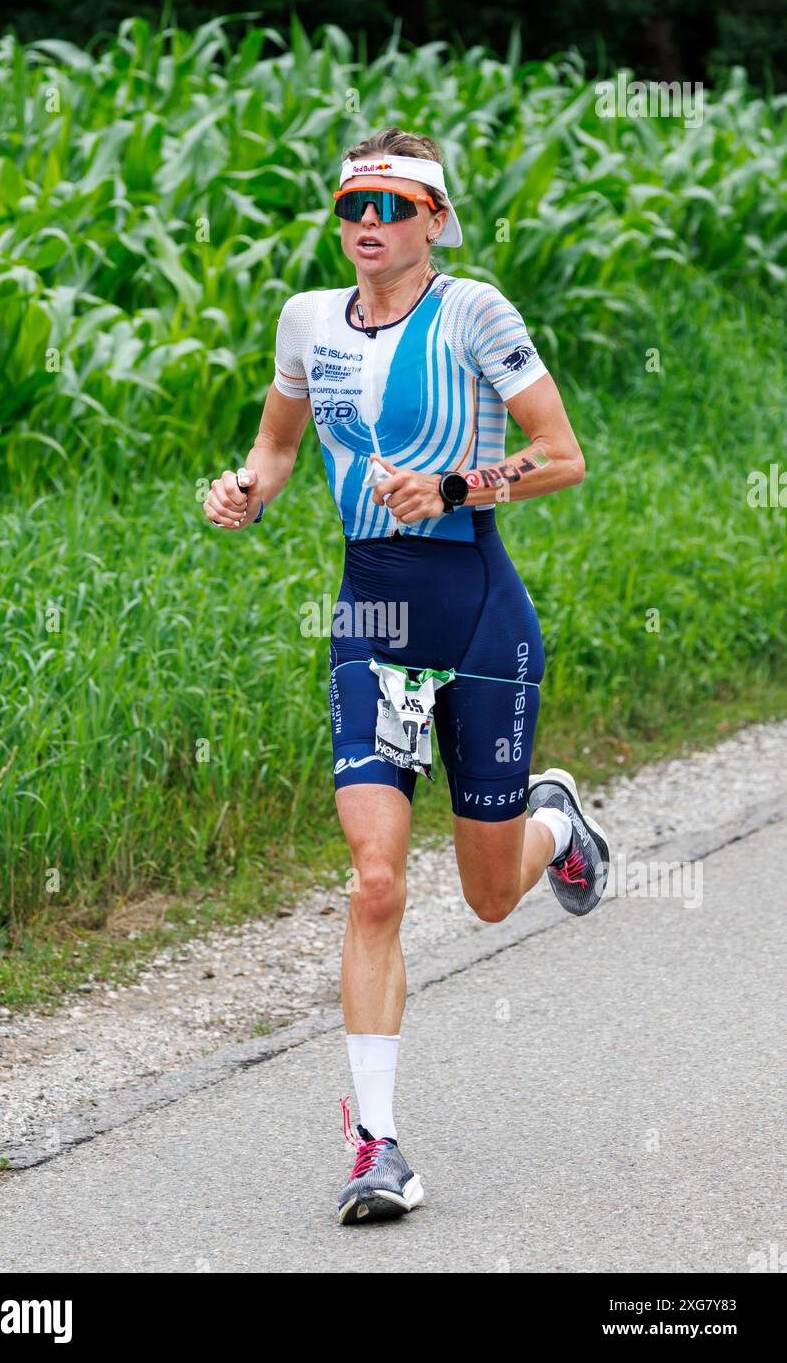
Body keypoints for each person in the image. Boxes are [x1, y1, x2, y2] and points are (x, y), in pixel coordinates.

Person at [203, 128, 610, 1226]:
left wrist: (459, 482)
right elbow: (279, 444)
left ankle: (554, 826)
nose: (365, 223)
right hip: (370, 615)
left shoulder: (474, 311)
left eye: (389, 204)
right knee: (375, 878)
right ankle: (377, 1145)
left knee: (484, 898)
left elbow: (563, 453)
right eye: (349, 205)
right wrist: (246, 487)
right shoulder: (304, 321)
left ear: (433, 219)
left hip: (477, 614)